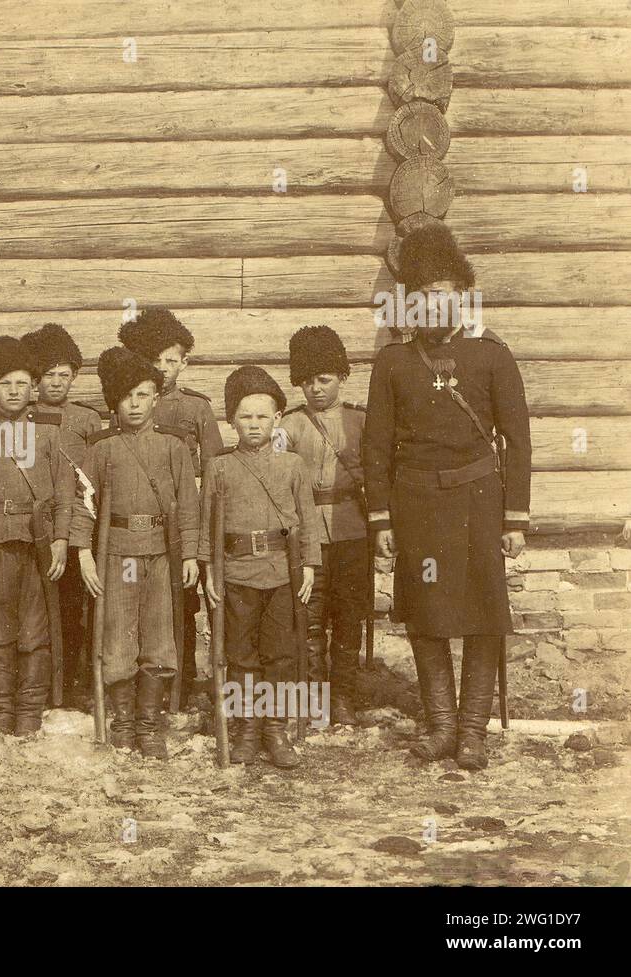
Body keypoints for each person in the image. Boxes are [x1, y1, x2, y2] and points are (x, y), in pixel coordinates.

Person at [364, 222, 531, 770]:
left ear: (462, 296)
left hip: (480, 501)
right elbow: (377, 445)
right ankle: (440, 726)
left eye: (444, 294)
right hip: (416, 506)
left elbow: (518, 439)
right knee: (426, 615)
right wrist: (382, 520)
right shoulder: (392, 362)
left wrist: (515, 518)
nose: (434, 305)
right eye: (423, 297)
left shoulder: (491, 355)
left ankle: (473, 732)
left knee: (484, 615)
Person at [72, 347, 199, 758]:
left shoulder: (173, 447)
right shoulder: (101, 449)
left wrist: (192, 555)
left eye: (143, 395)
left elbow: (189, 506)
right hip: (119, 555)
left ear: (156, 399)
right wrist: (84, 554)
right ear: (115, 401)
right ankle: (123, 721)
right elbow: (83, 504)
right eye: (127, 396)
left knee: (160, 636)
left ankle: (150, 723)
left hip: (161, 554)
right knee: (120, 636)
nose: (135, 404)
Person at [199, 366, 320, 768]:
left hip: (281, 574)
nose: (254, 424)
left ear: (277, 419)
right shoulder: (219, 467)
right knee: (240, 655)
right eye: (245, 416)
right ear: (231, 419)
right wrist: (208, 572)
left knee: (281, 655)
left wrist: (309, 566)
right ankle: (247, 728)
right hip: (235, 575)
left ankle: (275, 728)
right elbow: (206, 525)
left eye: (262, 416)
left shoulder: (293, 466)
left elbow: (308, 520)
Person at [0, 336, 75, 736]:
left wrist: (60, 539)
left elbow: (64, 495)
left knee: (34, 630)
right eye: (6, 383)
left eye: (23, 383)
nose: (14, 391)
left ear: (34, 388)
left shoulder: (49, 436)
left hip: (37, 546)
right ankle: (2, 711)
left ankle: (29, 711)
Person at [119, 307, 224, 708]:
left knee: (182, 598)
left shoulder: (196, 408)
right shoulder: (130, 401)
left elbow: (215, 466)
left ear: (185, 362)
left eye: (171, 360)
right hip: (143, 519)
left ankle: (181, 680)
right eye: (155, 360)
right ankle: (142, 685)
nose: (163, 368)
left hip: (185, 515)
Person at [278, 325, 368, 726]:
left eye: (324, 380)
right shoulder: (291, 426)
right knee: (309, 616)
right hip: (306, 533)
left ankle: (344, 700)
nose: (315, 389)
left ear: (343, 377)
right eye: (307, 382)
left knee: (349, 616)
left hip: (353, 530)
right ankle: (315, 697)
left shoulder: (361, 422)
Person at [20, 322, 103, 707]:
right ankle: (35, 684)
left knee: (72, 606)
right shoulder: (24, 416)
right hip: (34, 522)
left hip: (74, 522)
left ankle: (69, 683)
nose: (56, 383)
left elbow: (92, 476)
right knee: (31, 605)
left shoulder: (85, 420)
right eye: (48, 376)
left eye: (64, 376)